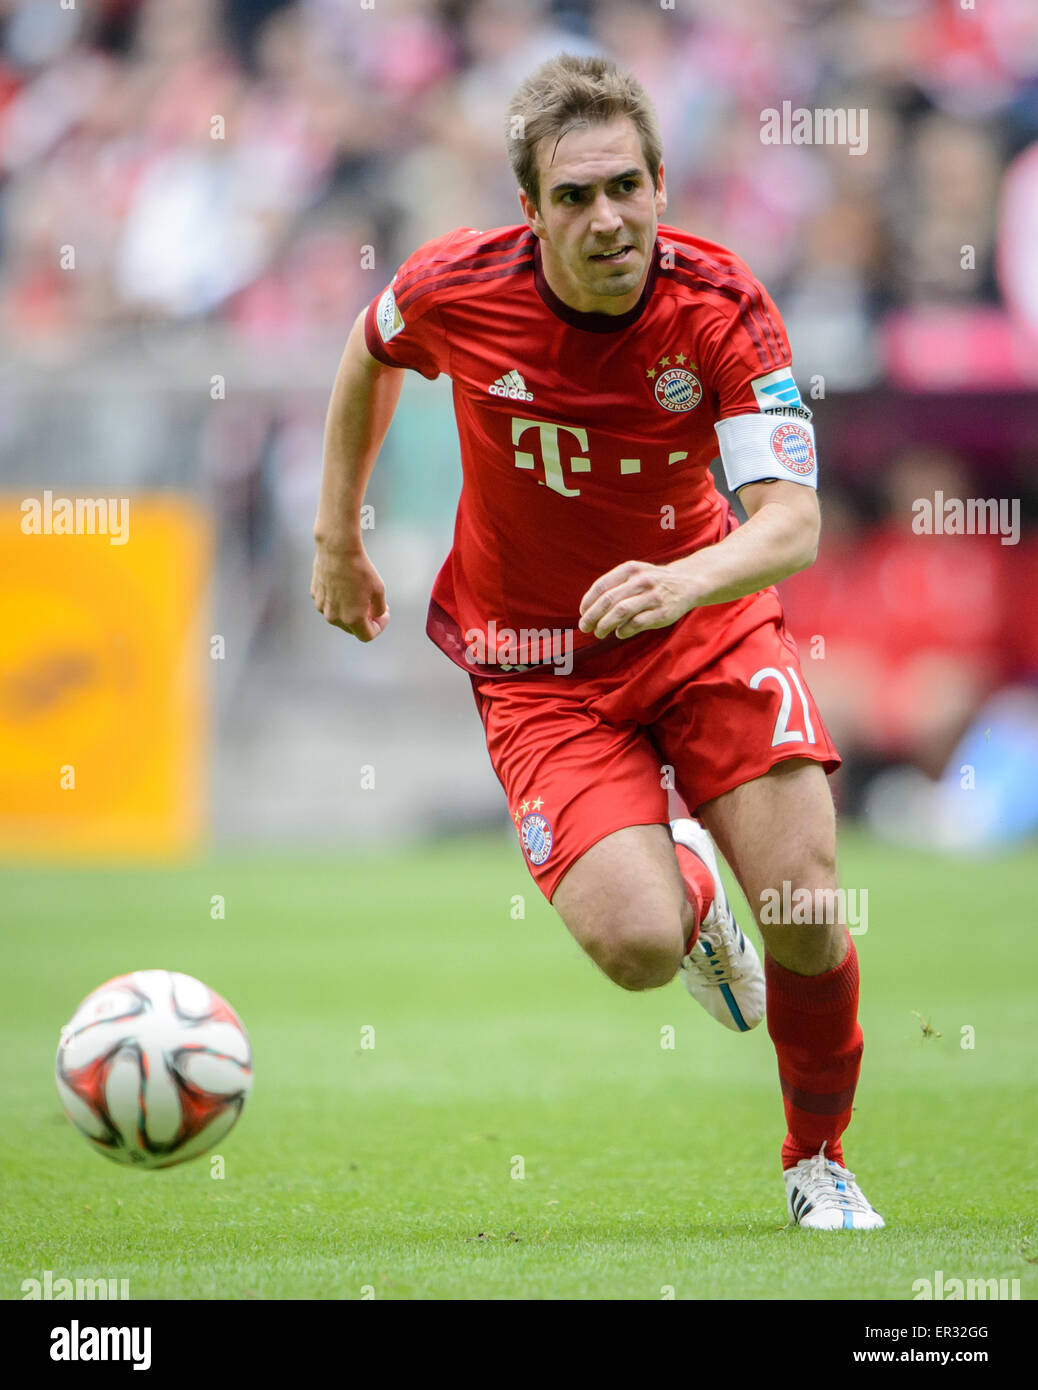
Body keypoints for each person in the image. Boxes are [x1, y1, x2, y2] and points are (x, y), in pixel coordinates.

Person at [312, 54, 883, 1230]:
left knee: (808, 910)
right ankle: (681, 880)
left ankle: (815, 1161)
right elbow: (368, 353)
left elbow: (790, 525)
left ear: (663, 183)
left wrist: (682, 583)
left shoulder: (722, 307)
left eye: (626, 185)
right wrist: (337, 539)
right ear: (530, 211)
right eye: (573, 197)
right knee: (634, 945)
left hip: (707, 624)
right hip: (535, 662)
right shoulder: (455, 289)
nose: (606, 217)